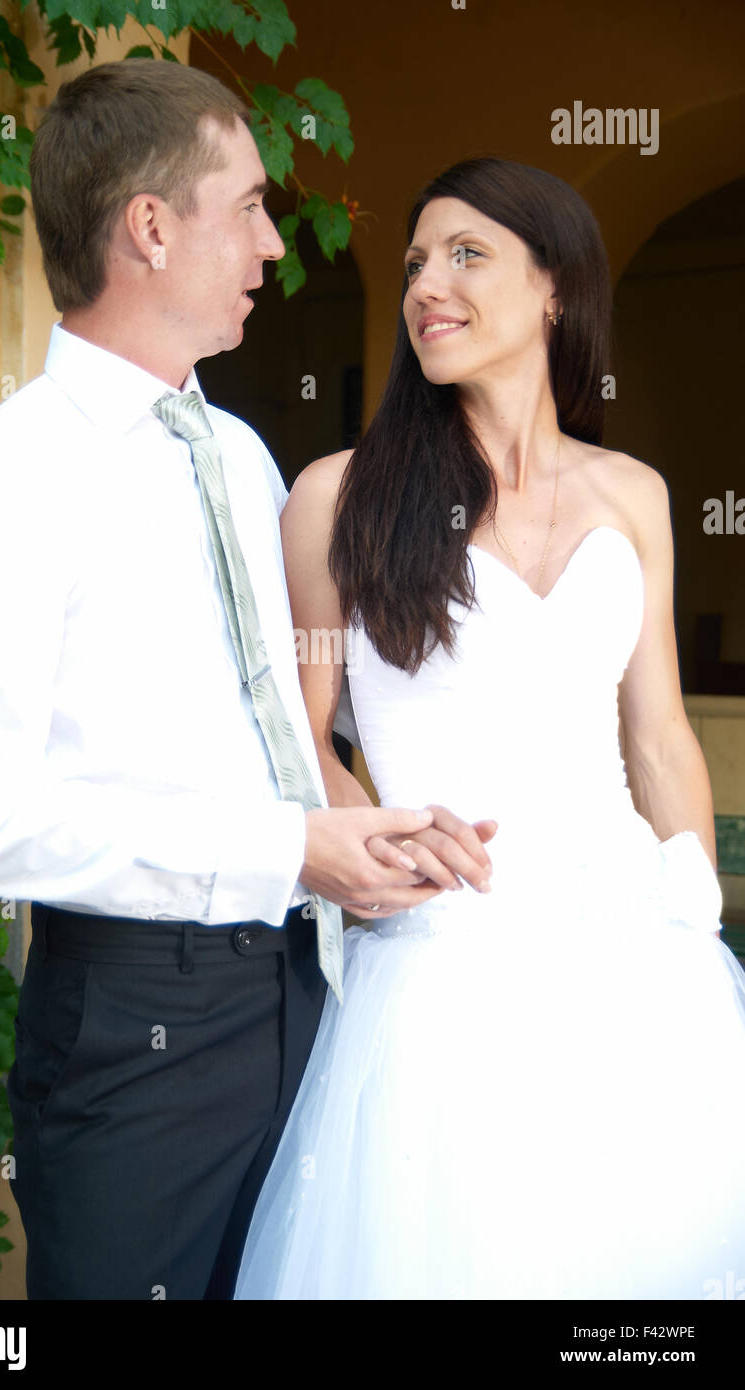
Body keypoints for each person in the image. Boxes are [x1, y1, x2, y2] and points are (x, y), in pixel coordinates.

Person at [0, 60, 488, 1301]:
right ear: (152, 227)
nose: (277, 245)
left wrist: (364, 836)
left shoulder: (239, 456)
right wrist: (286, 855)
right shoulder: (4, 483)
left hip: (302, 989)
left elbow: (282, 728)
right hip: (130, 1031)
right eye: (251, 207)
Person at [234, 156, 745, 1300]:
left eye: (467, 255)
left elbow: (657, 732)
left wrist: (691, 913)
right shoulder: (338, 494)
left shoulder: (637, 493)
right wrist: (378, 852)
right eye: (417, 262)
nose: (427, 285)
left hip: (637, 960)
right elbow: (305, 739)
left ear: (555, 286)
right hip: (440, 969)